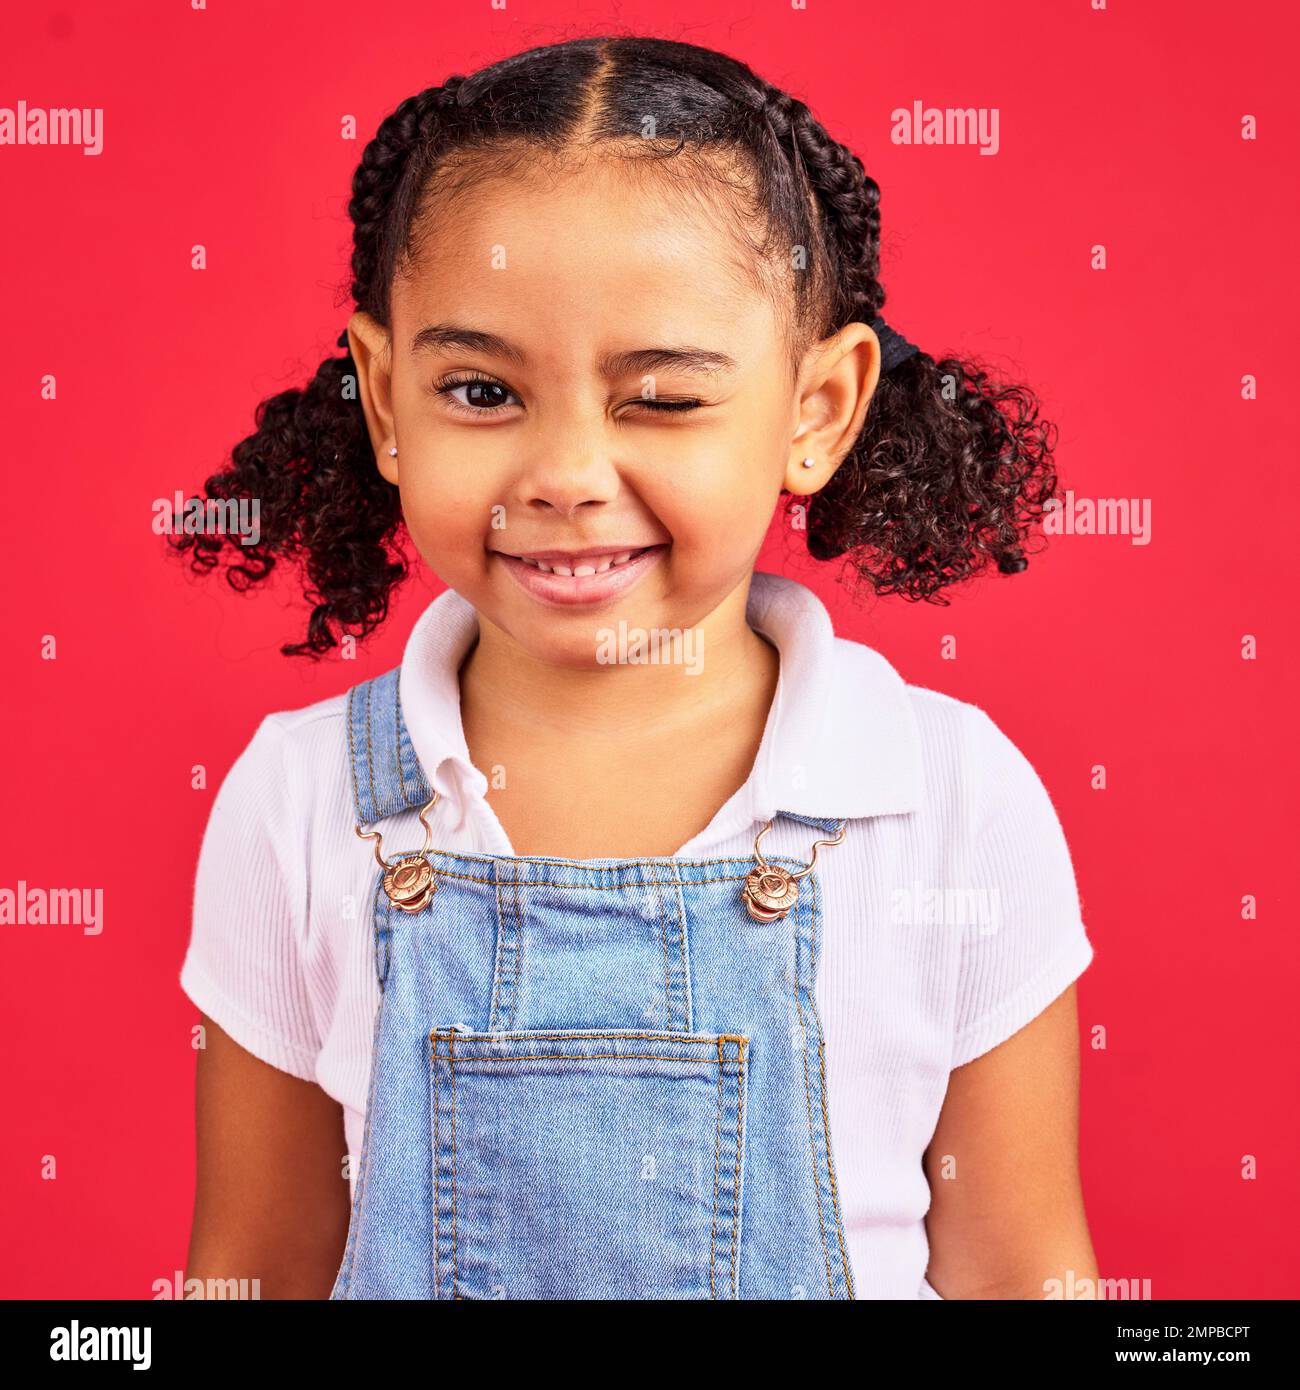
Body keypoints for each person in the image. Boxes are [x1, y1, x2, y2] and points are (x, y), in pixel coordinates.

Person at [174, 35, 1097, 1300]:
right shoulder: (296, 802)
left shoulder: (950, 798)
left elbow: (1021, 1274)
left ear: (816, 411)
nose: (563, 473)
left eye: (659, 398)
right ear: (384, 400)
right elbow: (254, 1273)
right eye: (482, 391)